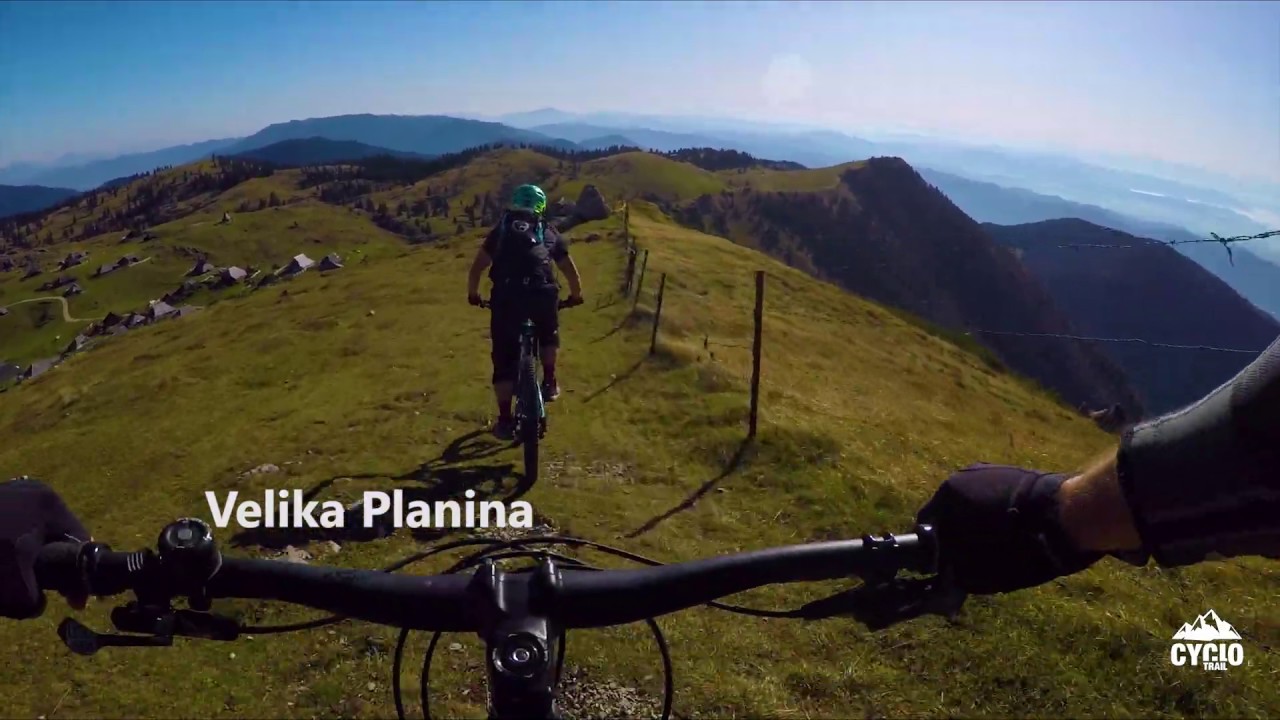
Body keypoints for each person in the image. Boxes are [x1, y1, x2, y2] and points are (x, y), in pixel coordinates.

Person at [4, 337, 1277, 620]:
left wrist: (1068, 514)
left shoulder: (517, 241)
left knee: (523, 367)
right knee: (531, 359)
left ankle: (521, 401)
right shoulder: (539, 241)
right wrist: (1064, 518)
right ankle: (523, 400)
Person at [466, 183, 584, 440]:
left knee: (504, 358)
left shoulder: (502, 229)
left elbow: (476, 269)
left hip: (506, 299)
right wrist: (576, 295)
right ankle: (550, 382)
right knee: (548, 334)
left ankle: (505, 420)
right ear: (541, 206)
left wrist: (474, 295)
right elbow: (568, 269)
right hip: (542, 293)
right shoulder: (547, 230)